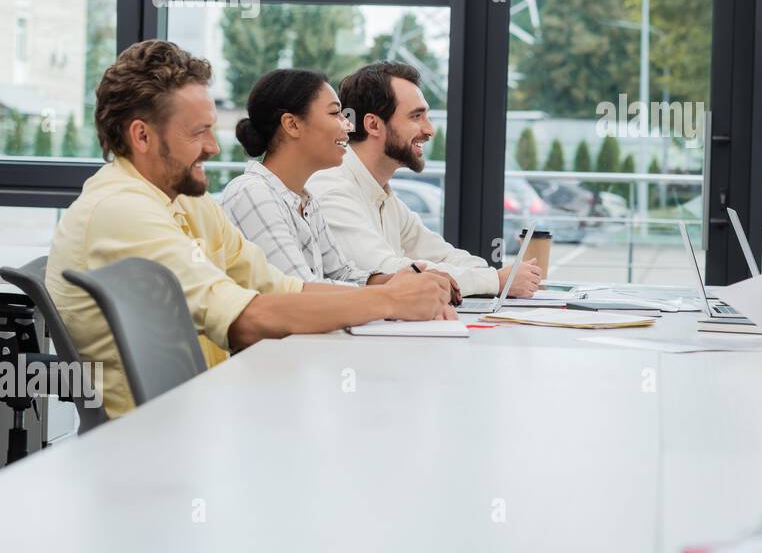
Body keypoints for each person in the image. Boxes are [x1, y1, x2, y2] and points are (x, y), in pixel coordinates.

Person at [46, 41, 455, 419]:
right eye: (197, 132)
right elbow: (247, 319)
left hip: (208, 409)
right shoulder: (122, 209)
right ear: (142, 136)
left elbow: (284, 287)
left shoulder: (187, 200)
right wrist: (389, 301)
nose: (214, 147)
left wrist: (396, 296)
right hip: (160, 436)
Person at [309, 61, 541, 298]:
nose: (430, 130)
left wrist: (495, 276)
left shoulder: (383, 195)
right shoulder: (332, 189)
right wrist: (495, 281)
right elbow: (385, 273)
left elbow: (441, 255)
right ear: (373, 125)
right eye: (416, 116)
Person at [223, 68, 403, 287]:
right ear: (292, 124)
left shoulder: (305, 201)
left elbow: (341, 273)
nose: (348, 124)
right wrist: (394, 294)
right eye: (334, 113)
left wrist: (401, 280)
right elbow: (300, 291)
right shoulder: (252, 193)